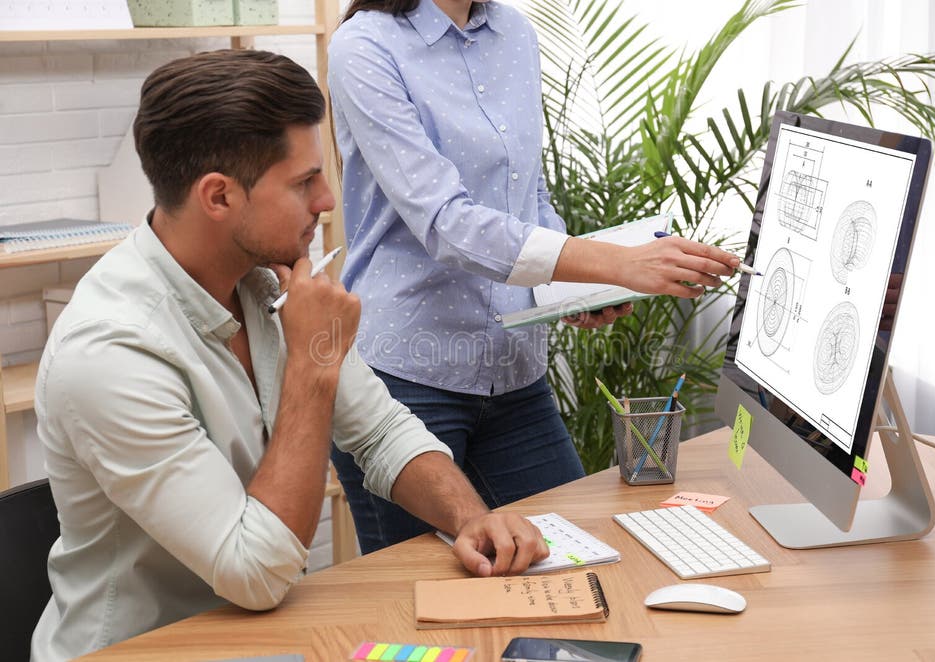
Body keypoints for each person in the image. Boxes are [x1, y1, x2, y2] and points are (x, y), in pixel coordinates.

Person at [30, 48, 547, 662]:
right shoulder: (109, 353)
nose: (328, 201)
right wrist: (313, 363)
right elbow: (255, 571)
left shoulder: (264, 282)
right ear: (218, 196)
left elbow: (381, 433)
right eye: (305, 182)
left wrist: (468, 518)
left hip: (263, 639)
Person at [327, 0, 742, 554]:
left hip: (514, 371)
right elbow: (446, 223)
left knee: (577, 558)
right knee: (421, 601)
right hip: (404, 381)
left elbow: (528, 191)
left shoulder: (513, 33)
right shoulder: (365, 46)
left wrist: (571, 290)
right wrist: (614, 262)